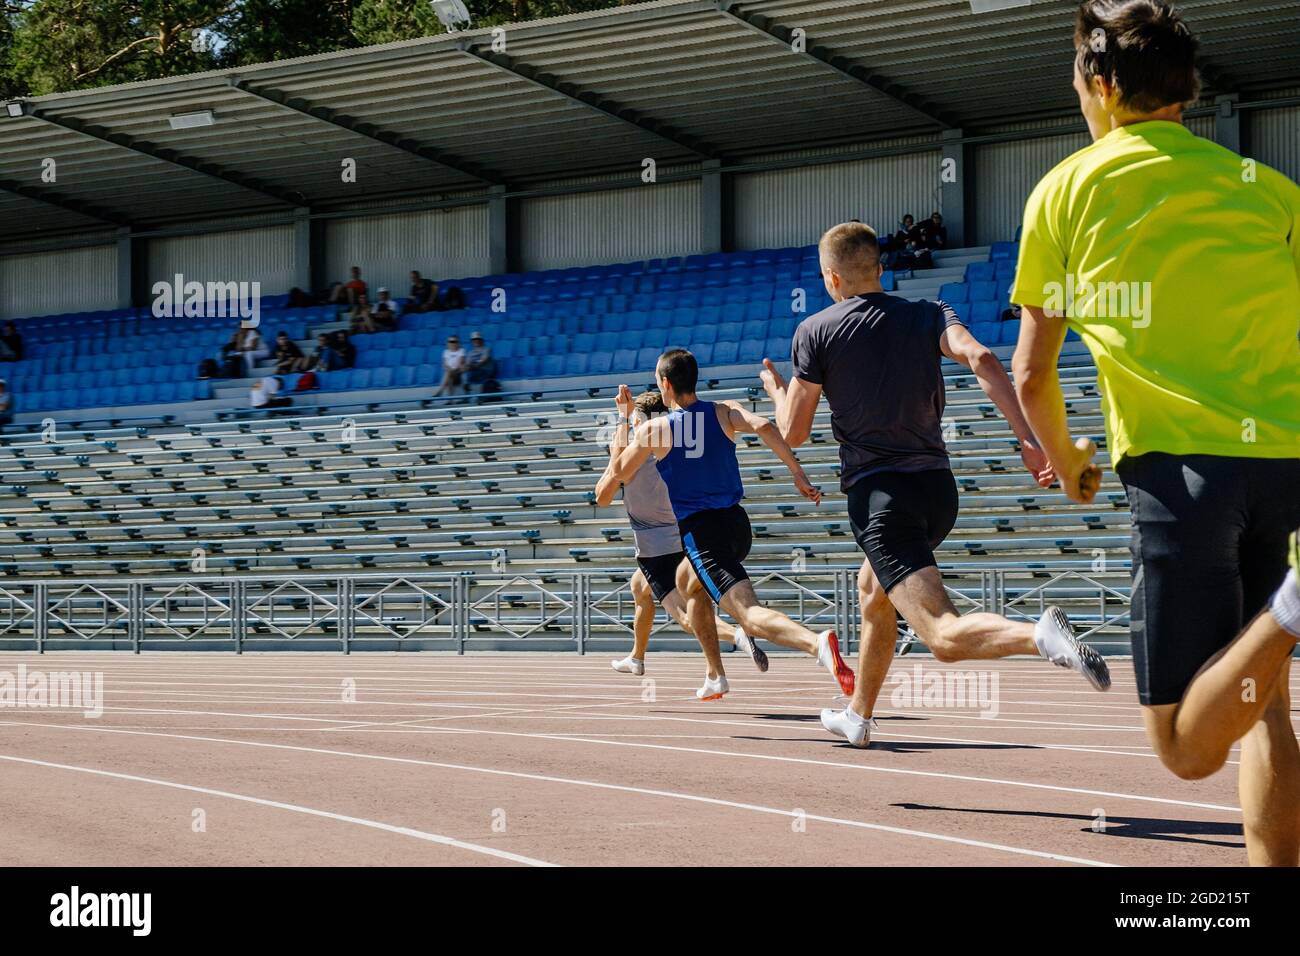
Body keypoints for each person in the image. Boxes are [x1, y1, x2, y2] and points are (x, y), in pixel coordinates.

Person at [1010, 0, 1300, 866]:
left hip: (1182, 479)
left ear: (1100, 83)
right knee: (1262, 705)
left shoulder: (1064, 190)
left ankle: (1293, 604)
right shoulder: (1270, 190)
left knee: (1183, 746)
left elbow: (1030, 371)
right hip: (1287, 465)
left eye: (1075, 75)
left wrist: (1068, 461)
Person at [761, 221, 1109, 749]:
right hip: (937, 492)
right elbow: (984, 359)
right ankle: (858, 715)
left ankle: (1039, 637)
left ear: (831, 278)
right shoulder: (929, 314)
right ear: (879, 268)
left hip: (882, 498)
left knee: (942, 637)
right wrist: (1030, 439)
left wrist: (779, 392)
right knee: (873, 593)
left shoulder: (814, 331)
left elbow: (794, 433)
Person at [608, 348, 856, 702]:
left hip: (702, 533)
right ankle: (715, 675)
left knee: (750, 616)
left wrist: (624, 419)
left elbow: (619, 473)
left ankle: (816, 644)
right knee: (687, 583)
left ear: (665, 383)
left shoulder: (656, 429)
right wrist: (797, 474)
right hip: (737, 525)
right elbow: (765, 426)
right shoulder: (723, 410)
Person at [595, 385, 767, 679]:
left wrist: (620, 431)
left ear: (646, 422)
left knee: (686, 617)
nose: (636, 426)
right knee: (640, 588)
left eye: (638, 421)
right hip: (688, 535)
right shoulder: (677, 445)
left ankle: (735, 635)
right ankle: (637, 657)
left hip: (655, 547)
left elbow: (603, 494)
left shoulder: (635, 453)